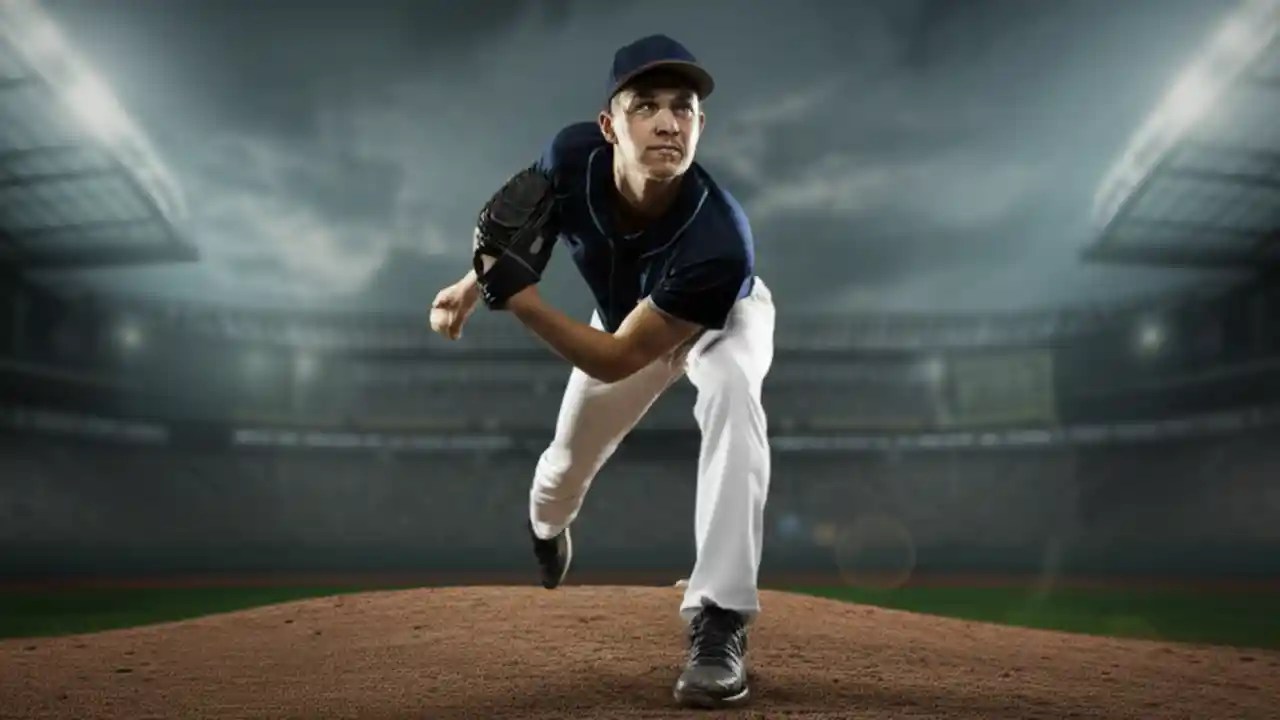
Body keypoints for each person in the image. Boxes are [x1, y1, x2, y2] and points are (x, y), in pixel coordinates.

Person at [428, 33, 775, 710]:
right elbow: (516, 238)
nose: (668, 122)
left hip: (718, 316)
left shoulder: (722, 240)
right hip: (623, 319)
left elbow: (617, 361)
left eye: (683, 108)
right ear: (610, 126)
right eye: (646, 106)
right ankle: (546, 527)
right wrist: (472, 286)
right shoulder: (570, 158)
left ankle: (720, 618)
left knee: (734, 391)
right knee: (565, 464)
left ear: (701, 125)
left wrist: (518, 301)